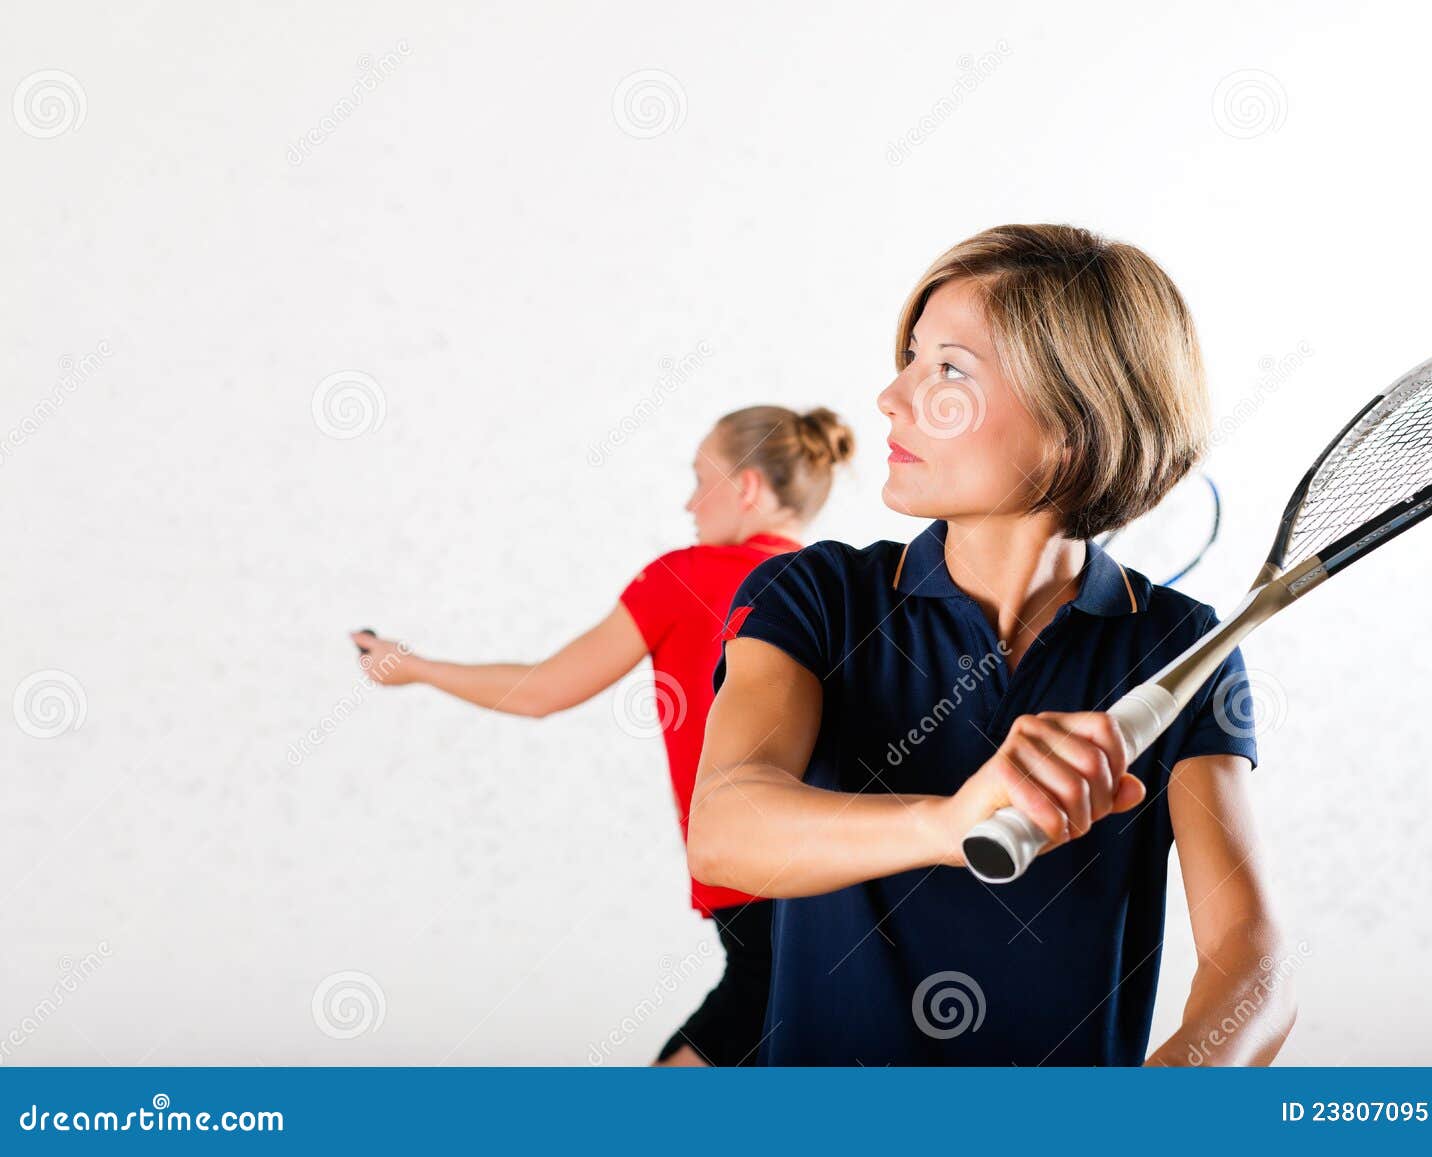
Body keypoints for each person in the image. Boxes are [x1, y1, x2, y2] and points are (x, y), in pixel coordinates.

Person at [688, 224, 1296, 1066]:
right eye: (910, 355)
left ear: (1072, 425)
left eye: (947, 370)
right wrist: (949, 822)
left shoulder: (1179, 646)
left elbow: (1252, 961)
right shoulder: (815, 595)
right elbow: (724, 825)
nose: (891, 398)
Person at [351, 404, 855, 1066]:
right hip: (852, 875)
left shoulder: (684, 578)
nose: (689, 503)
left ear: (747, 488)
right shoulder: (845, 582)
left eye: (699, 478)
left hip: (756, 878)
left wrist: (412, 665)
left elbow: (540, 690)